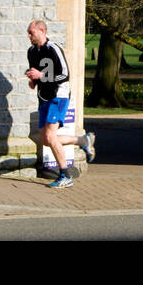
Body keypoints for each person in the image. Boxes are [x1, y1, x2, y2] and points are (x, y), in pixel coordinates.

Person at [25, 19, 93, 188]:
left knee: (49, 136)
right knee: (47, 140)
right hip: (43, 99)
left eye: (31, 32)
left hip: (59, 96)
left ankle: (65, 175)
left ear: (42, 31)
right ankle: (83, 141)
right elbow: (36, 74)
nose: (28, 36)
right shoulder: (31, 52)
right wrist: (33, 81)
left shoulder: (54, 49)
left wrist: (41, 77)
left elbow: (65, 75)